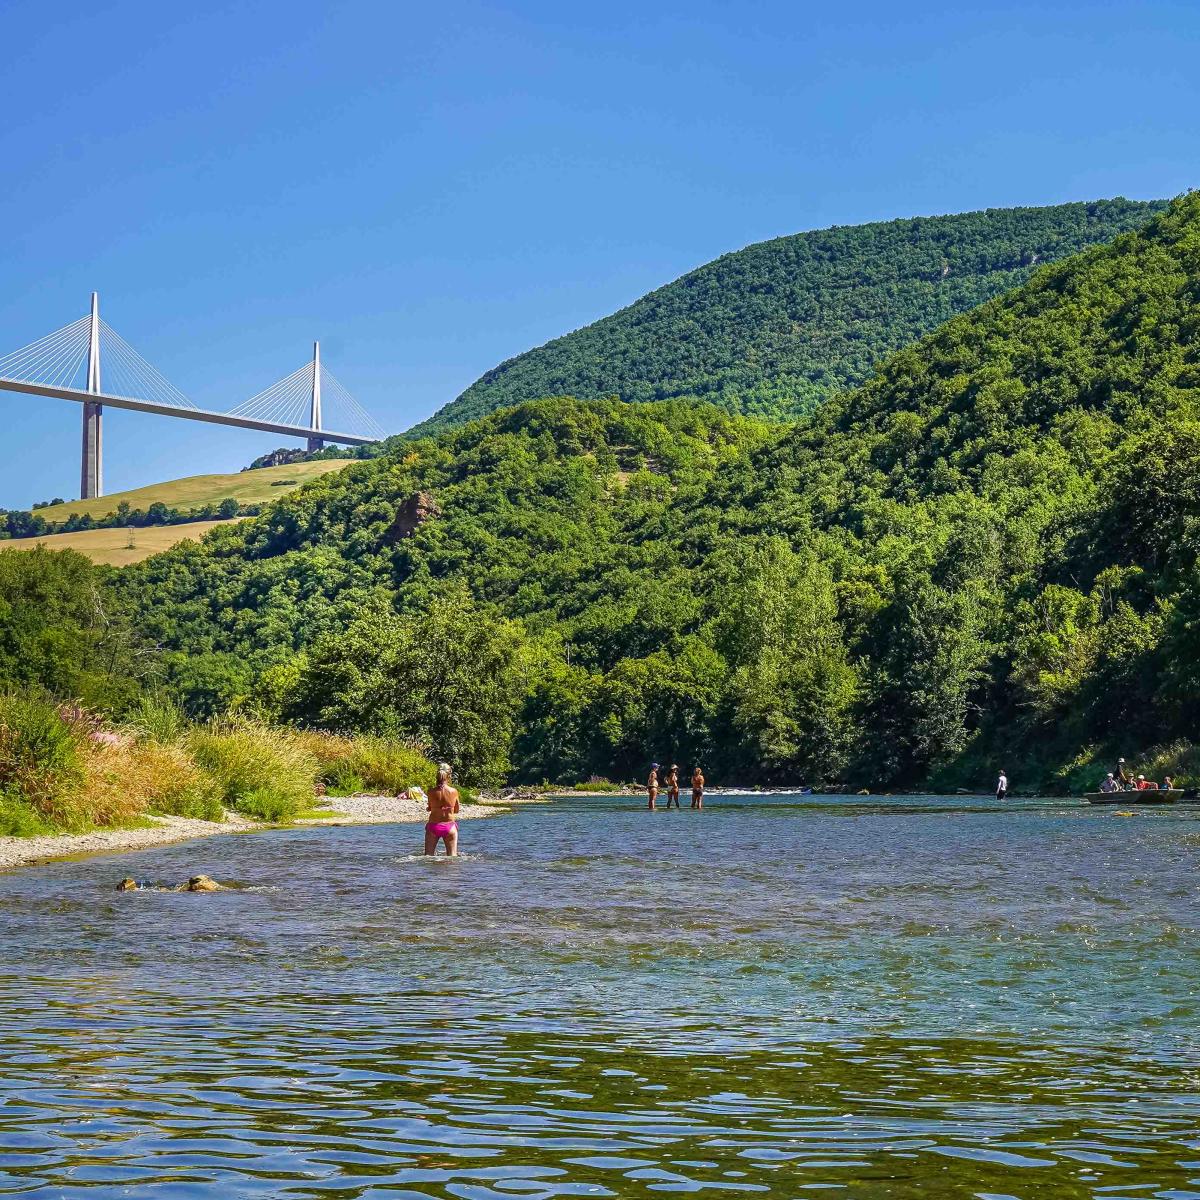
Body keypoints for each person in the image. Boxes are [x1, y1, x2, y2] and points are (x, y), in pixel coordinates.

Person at [425, 762, 460, 856]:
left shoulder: (431, 792)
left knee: (428, 856)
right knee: (452, 858)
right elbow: (456, 810)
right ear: (449, 776)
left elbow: (429, 808)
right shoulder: (454, 791)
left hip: (433, 826)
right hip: (450, 827)